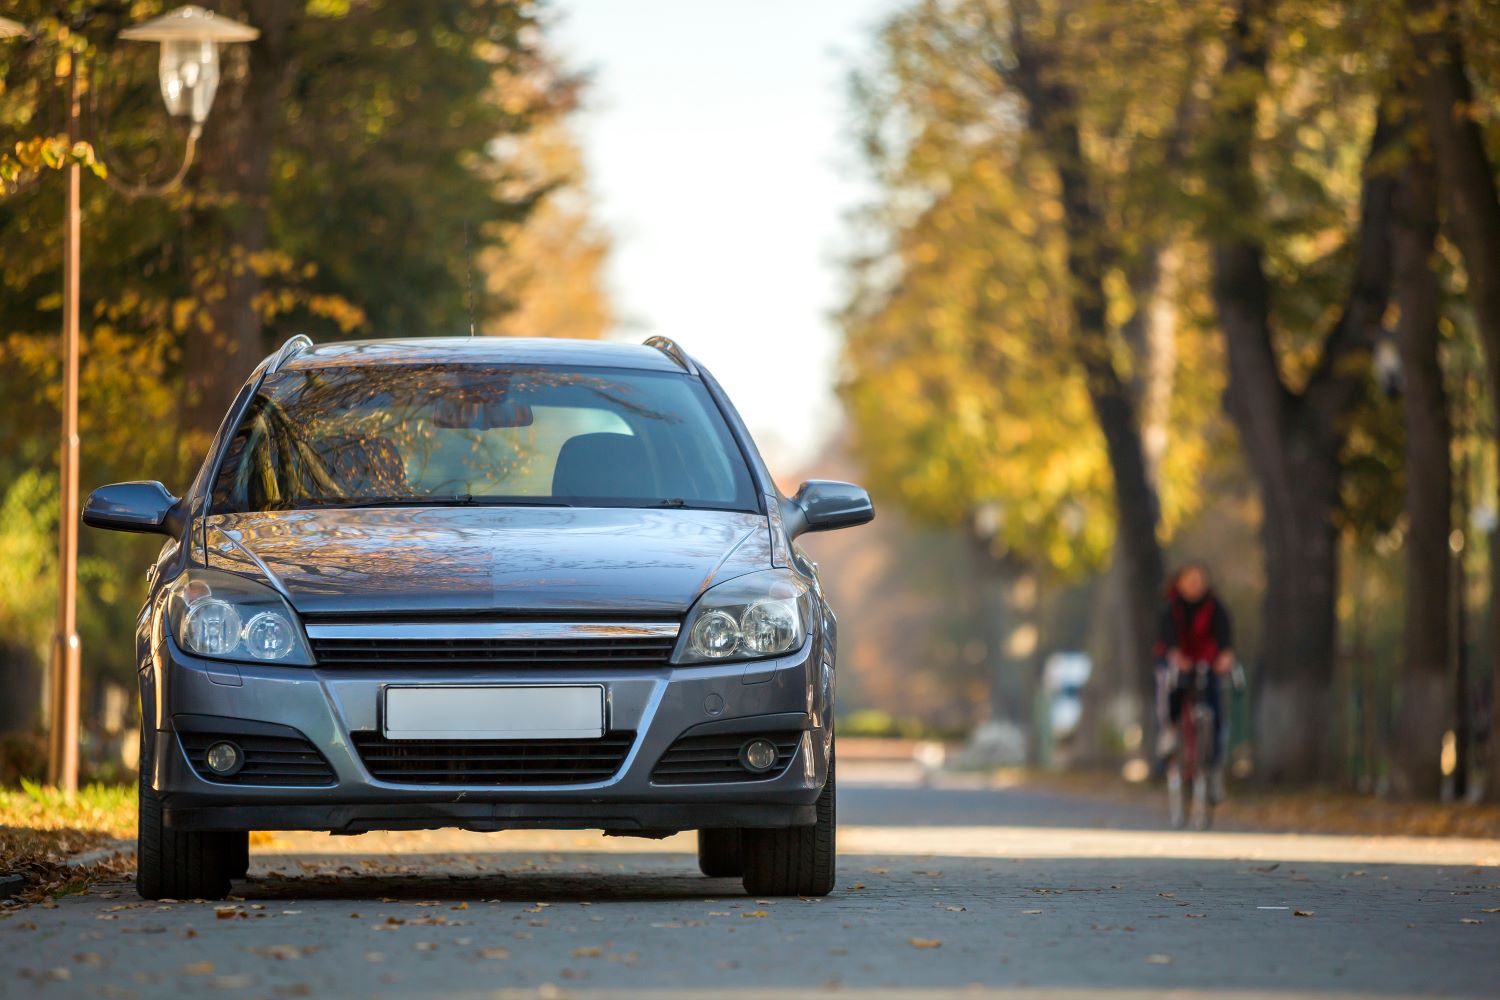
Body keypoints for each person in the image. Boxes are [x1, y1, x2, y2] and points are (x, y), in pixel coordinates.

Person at [1153, 563, 1234, 818]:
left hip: (1206, 666)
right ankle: (1169, 731)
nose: (1194, 584)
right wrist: (1176, 656)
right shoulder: (1171, 609)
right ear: (1179, 582)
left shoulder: (1215, 607)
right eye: (1189, 579)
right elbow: (1166, 639)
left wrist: (1225, 656)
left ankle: (1216, 765)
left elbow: (1225, 639)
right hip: (1180, 666)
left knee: (1216, 709)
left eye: (1199, 579)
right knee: (1172, 689)